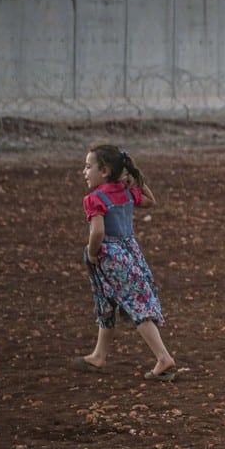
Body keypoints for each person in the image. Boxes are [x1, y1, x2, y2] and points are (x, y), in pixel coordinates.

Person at [74, 144, 177, 381]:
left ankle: (163, 357)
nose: (84, 171)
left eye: (89, 167)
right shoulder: (125, 192)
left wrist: (92, 253)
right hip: (130, 253)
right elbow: (151, 201)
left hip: (109, 256)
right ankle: (99, 355)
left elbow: (97, 231)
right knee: (108, 301)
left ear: (105, 171)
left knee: (135, 304)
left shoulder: (94, 199)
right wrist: (133, 180)